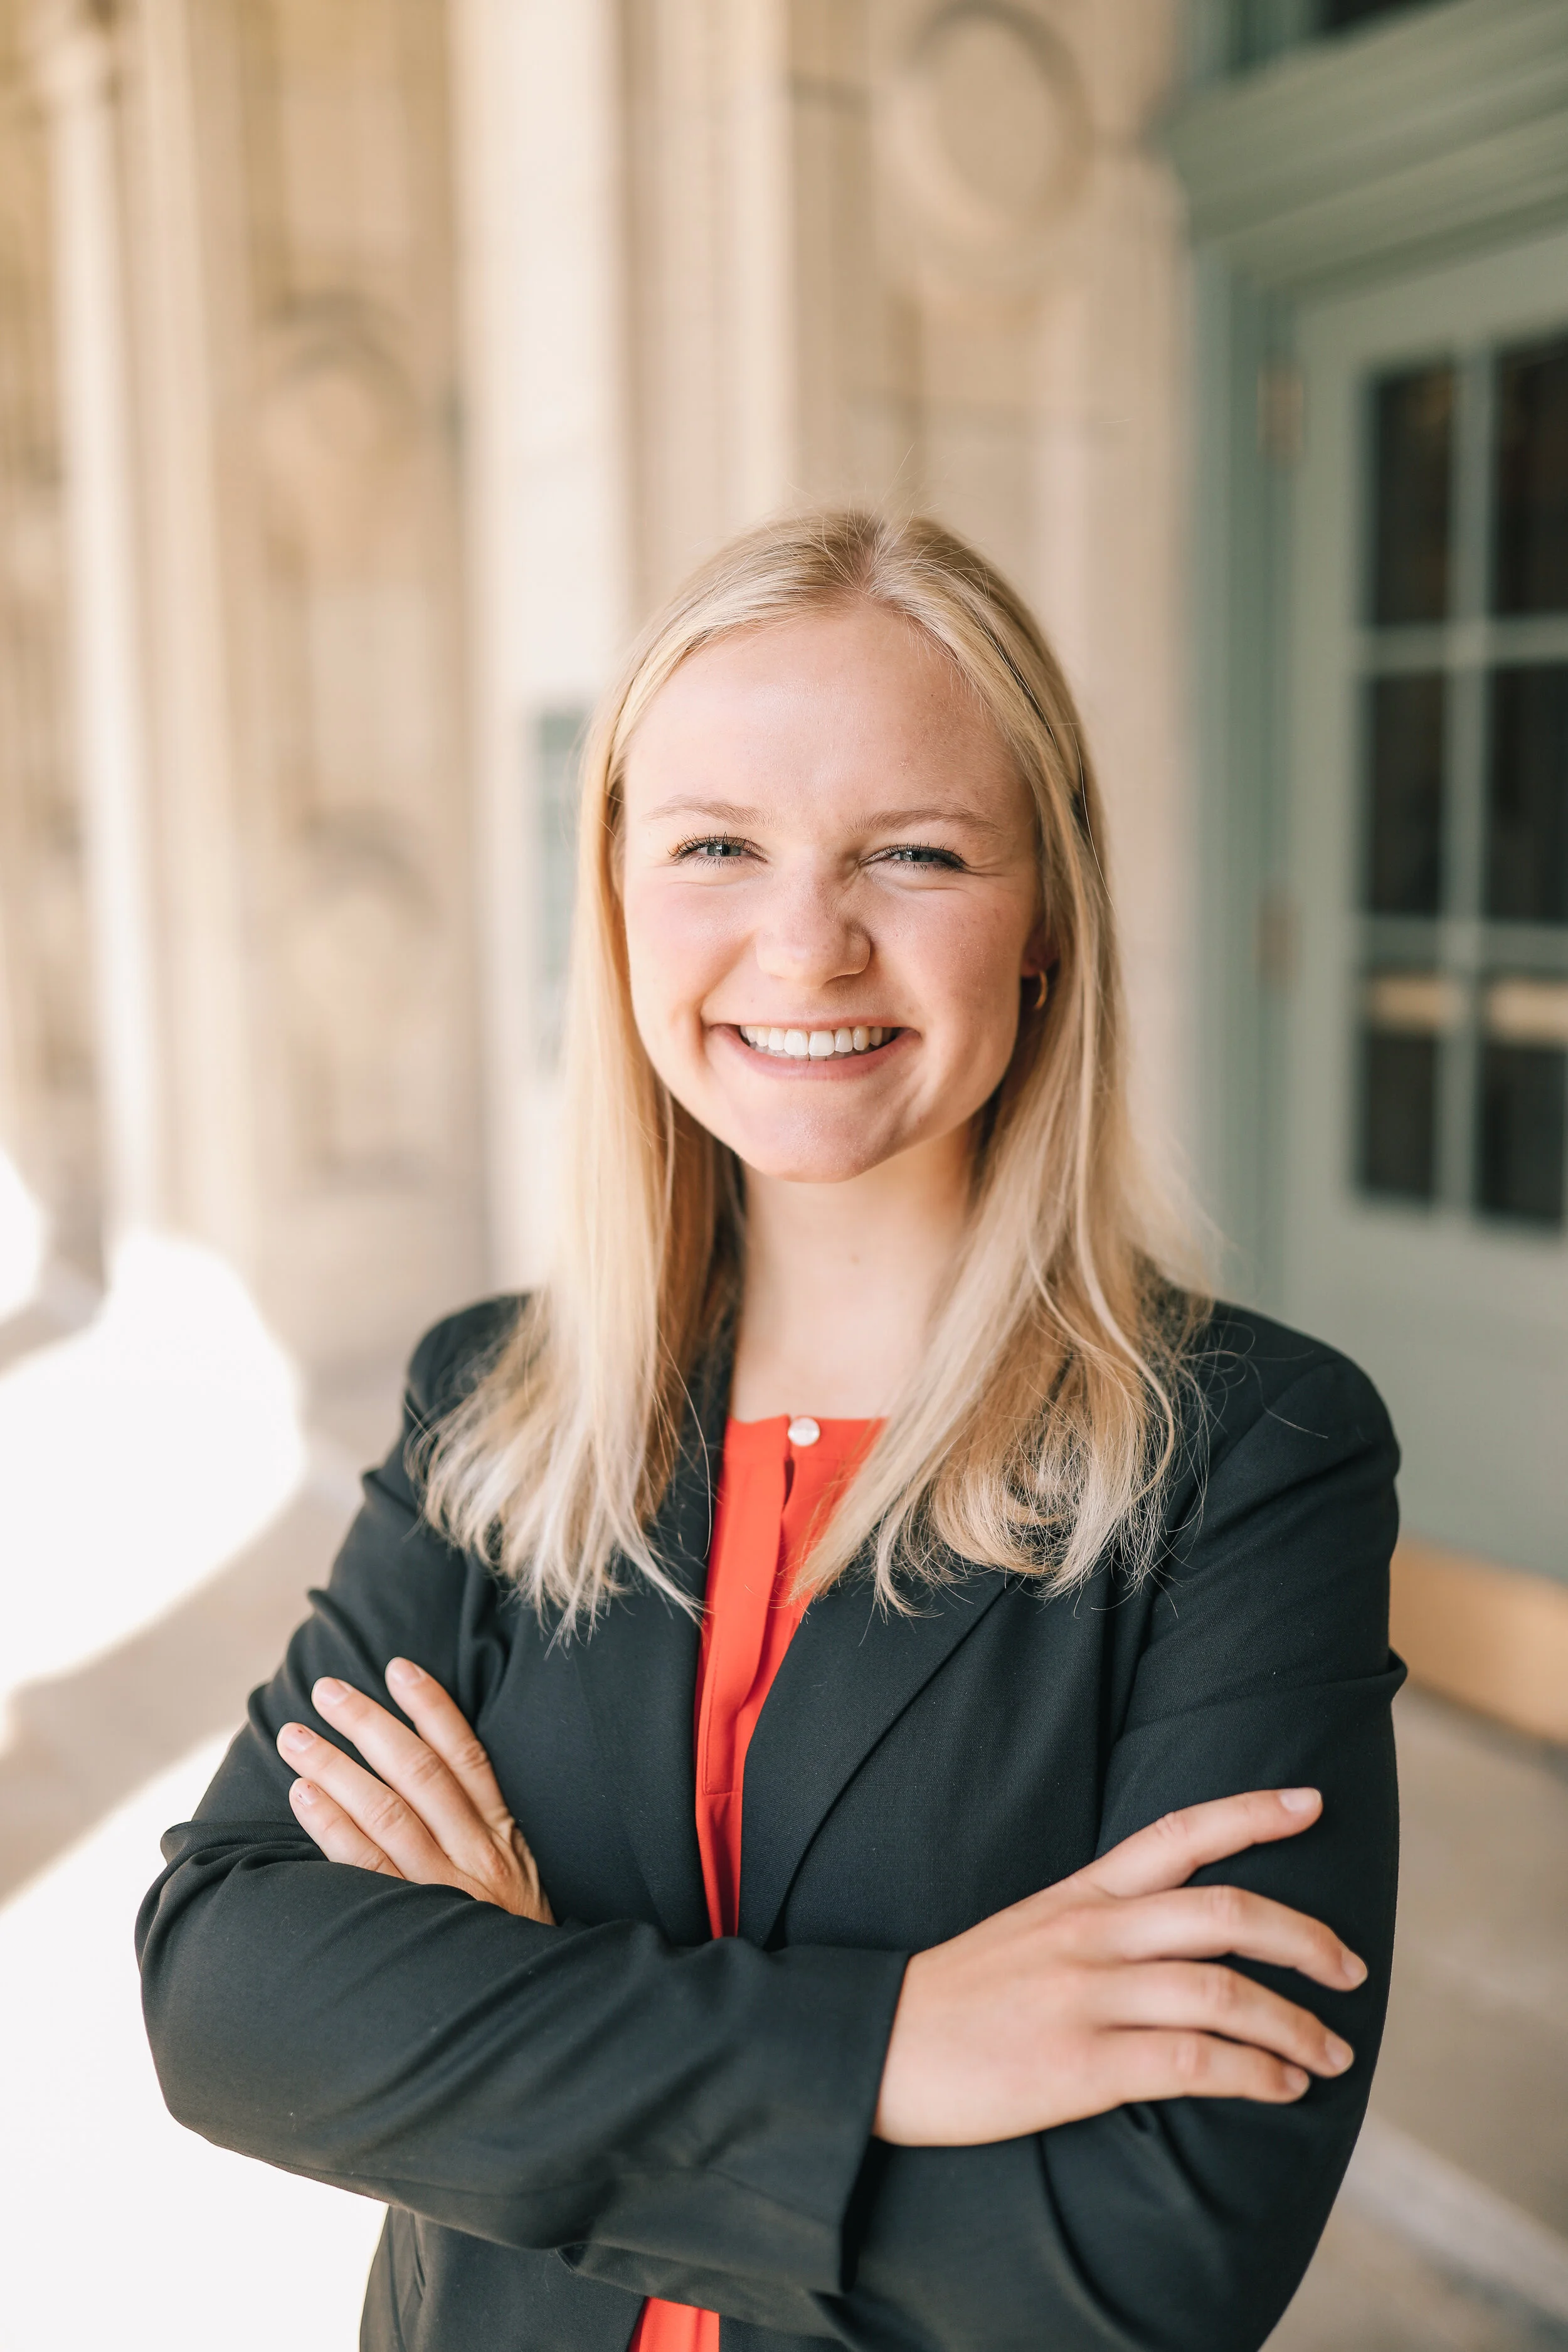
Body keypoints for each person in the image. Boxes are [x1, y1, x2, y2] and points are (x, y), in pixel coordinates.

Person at [138, 511, 1402, 2352]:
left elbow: (1146, 2264)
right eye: (716, 845)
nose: (804, 944)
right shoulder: (495, 1405)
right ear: (622, 897)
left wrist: (502, 2007)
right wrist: (893, 2042)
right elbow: (228, 1998)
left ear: (1043, 914)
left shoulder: (1245, 1458)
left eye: (913, 851)